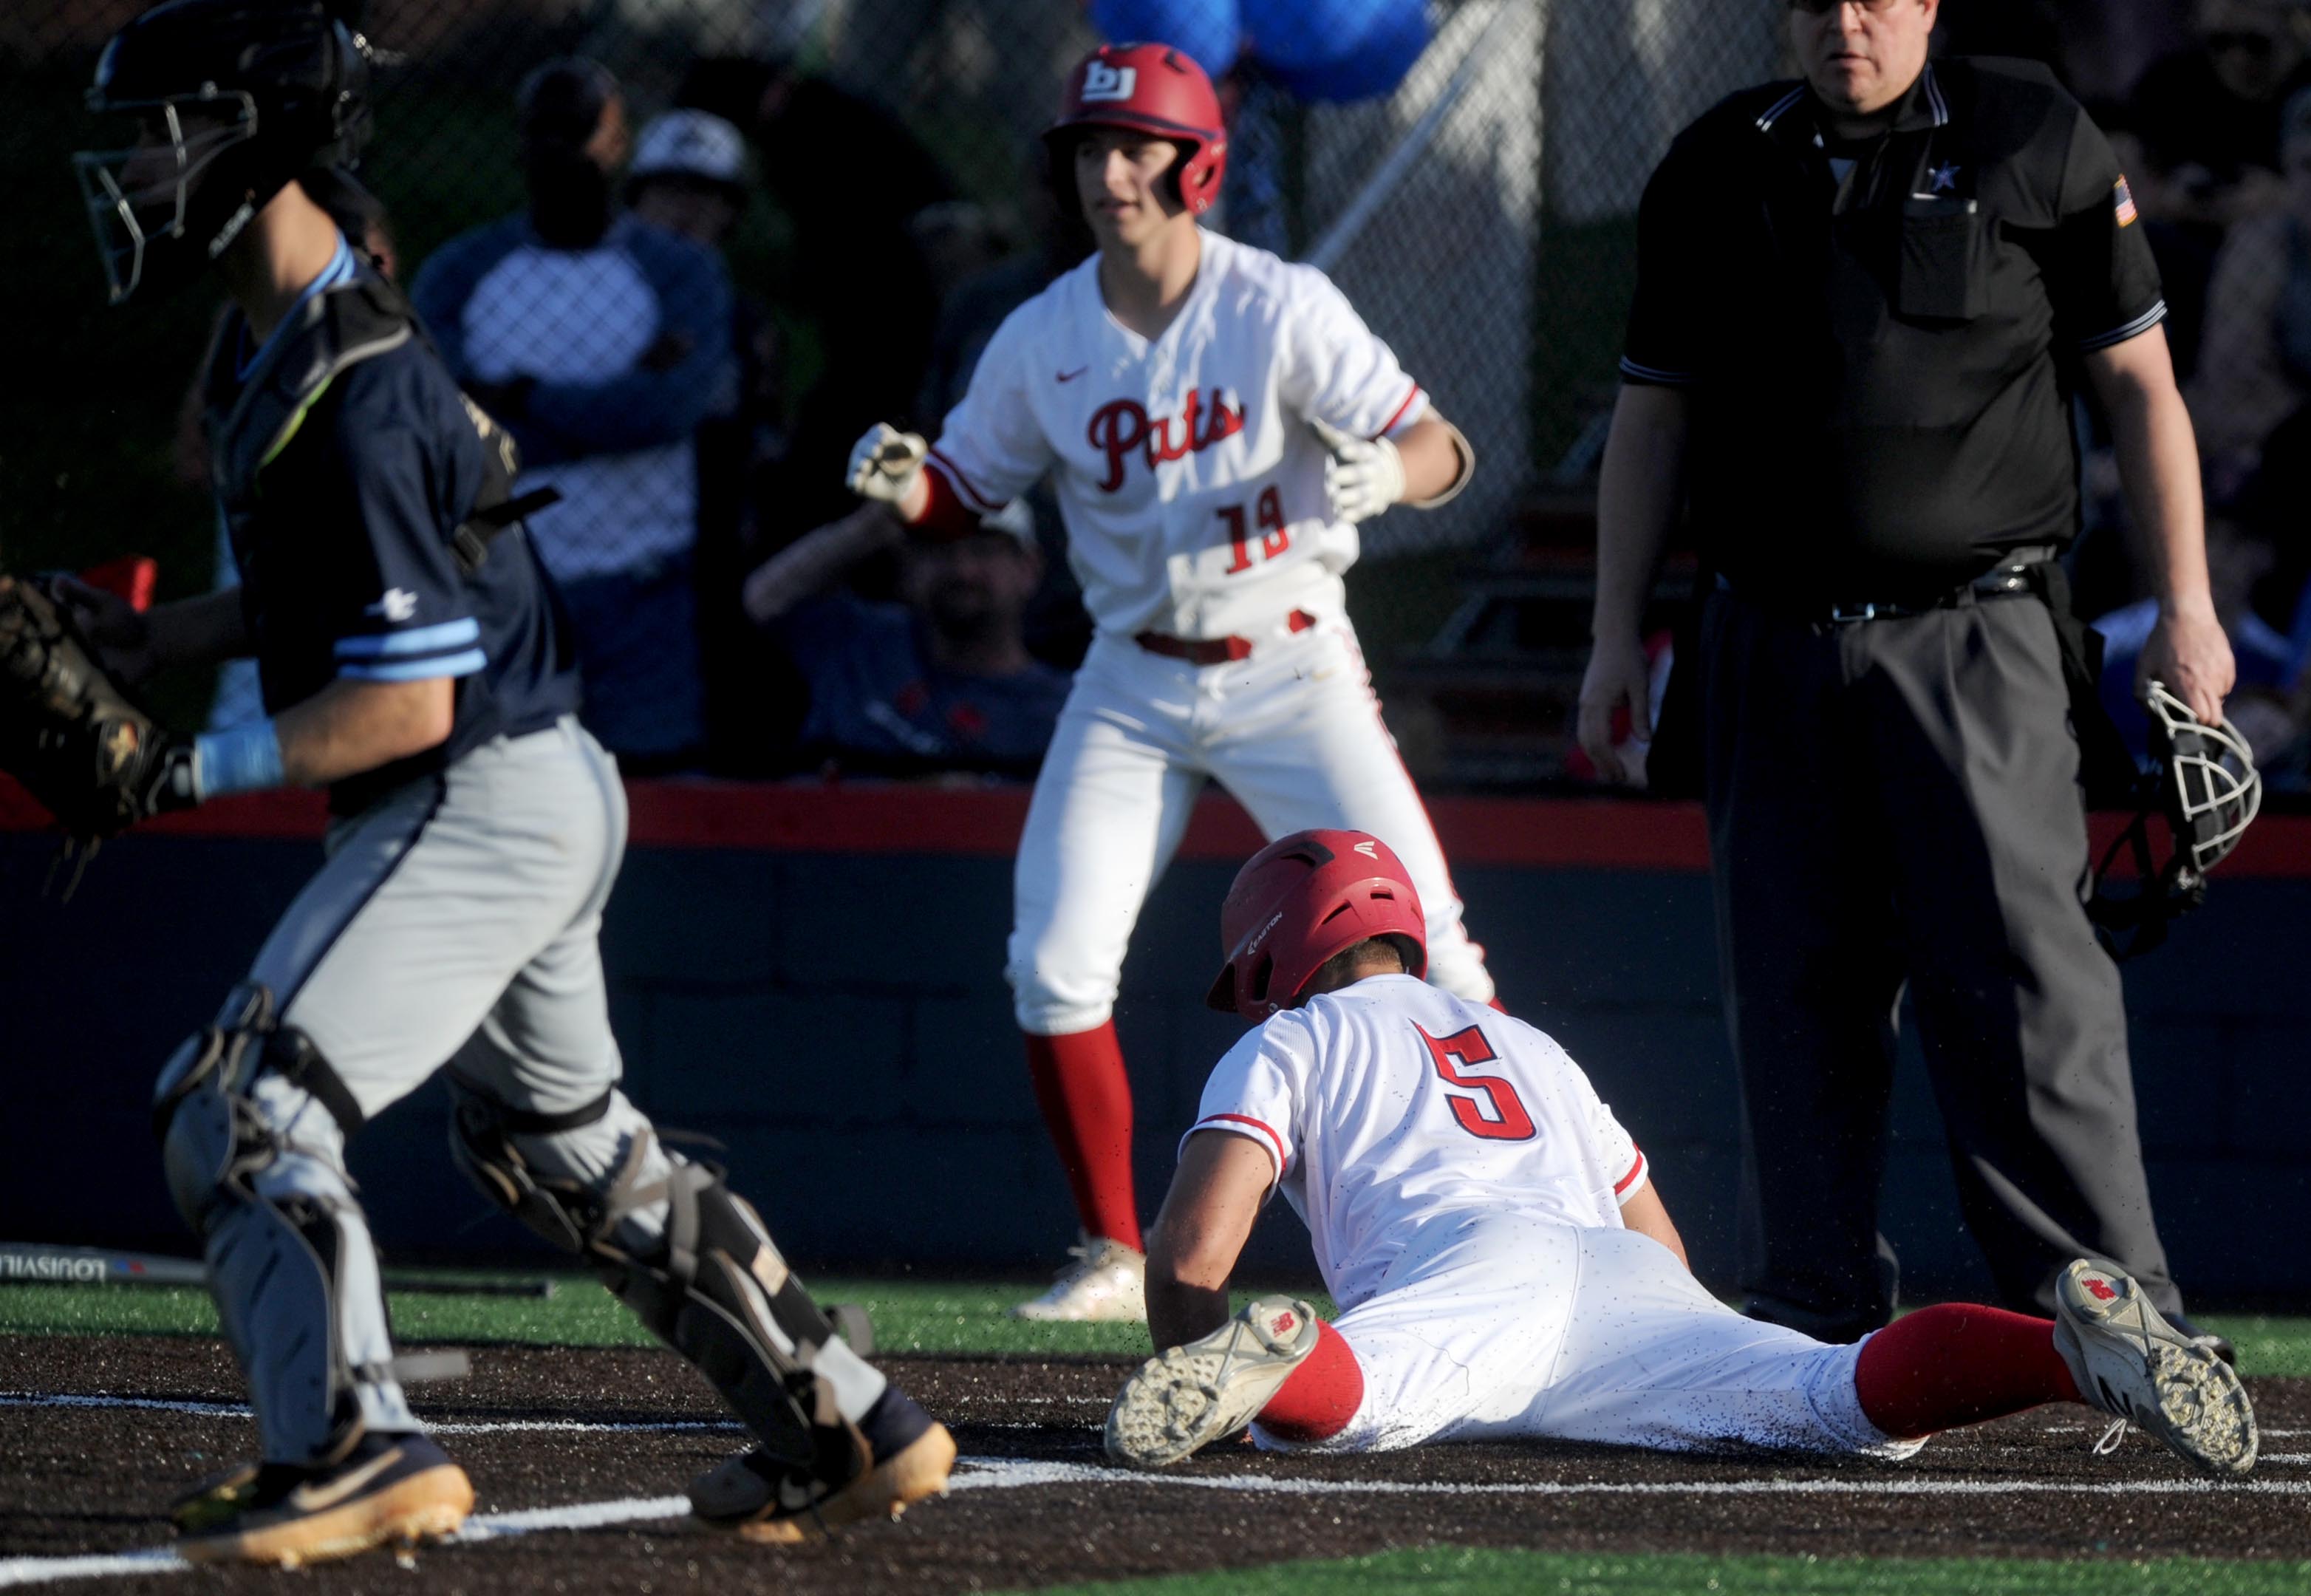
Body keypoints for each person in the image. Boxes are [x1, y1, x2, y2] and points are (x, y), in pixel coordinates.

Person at [64, 0, 949, 1564]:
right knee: (565, 1154)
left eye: (157, 131)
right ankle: (845, 1417)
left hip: (466, 789)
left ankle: (354, 1446)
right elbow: (337, 603)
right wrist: (150, 637)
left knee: (243, 1108)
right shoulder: (296, 346)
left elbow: (404, 704)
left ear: (244, 141)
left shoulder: (363, 377)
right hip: (535, 782)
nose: (131, 167)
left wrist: (186, 762)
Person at [1577, 0, 2239, 1351]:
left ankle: (2104, 1309)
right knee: (1791, 983)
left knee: (2020, 981)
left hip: (1978, 635)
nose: (1846, 22)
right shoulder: (1715, 163)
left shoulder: (2030, 133)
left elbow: (2142, 390)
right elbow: (1653, 417)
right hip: (1764, 639)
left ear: (1928, 2)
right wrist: (1608, 637)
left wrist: (2186, 606)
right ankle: (1806, 1305)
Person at [824, 42, 1499, 1322]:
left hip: (1292, 659)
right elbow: (959, 493)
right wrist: (901, 483)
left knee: (1437, 953)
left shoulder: (1276, 304)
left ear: (1198, 162)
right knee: (1054, 960)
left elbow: (1441, 443)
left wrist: (1387, 477)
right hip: (1131, 677)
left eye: (1134, 146)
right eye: (1088, 148)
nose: (1109, 171)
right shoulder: (1041, 334)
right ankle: (1108, 1251)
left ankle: (1519, 1210)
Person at [1104, 830, 2257, 1478]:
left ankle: (1280, 1356)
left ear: (1270, 959)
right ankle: (2065, 1352)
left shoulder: (1296, 1039)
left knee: (1327, 1405)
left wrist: (1184, 1366)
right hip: (1627, 1281)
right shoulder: (1523, 1040)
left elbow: (1192, 1251)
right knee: (1837, 1393)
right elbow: (1655, 1236)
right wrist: (1689, 1340)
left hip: (1461, 1276)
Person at [409, 59, 734, 771]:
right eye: (544, 131)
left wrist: (517, 396)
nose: (561, 149)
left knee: (656, 793)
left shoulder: (680, 270)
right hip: (502, 587)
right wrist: (612, 402)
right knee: (499, 790)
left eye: (580, 130)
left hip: (643, 587)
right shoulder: (460, 272)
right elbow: (444, 428)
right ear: (519, 141)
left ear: (617, 144)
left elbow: (669, 409)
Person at [743, 499, 1071, 778]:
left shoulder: (1066, 713)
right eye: (940, 550)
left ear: (1029, 568)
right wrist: (880, 518)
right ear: (908, 567)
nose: (962, 570)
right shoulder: (860, 640)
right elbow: (766, 600)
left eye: (983, 551)